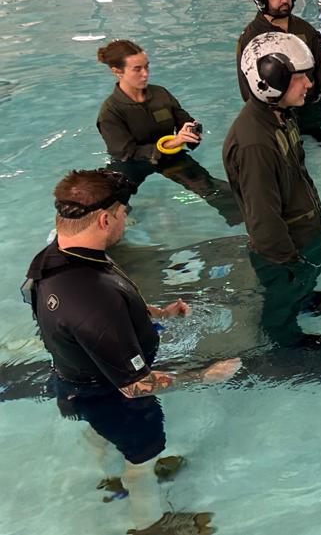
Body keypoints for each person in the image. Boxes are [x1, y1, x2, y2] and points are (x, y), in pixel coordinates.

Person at [24, 169, 241, 534]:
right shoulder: (94, 302)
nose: (128, 219)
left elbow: (94, 311)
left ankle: (107, 476)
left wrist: (156, 312)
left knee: (99, 430)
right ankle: (152, 523)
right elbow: (134, 386)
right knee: (143, 460)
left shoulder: (55, 258)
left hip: (75, 382)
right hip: (110, 396)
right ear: (106, 218)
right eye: (126, 213)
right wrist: (205, 375)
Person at [225, 32, 321, 349]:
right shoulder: (255, 143)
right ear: (271, 81)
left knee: (300, 285)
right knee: (280, 302)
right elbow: (264, 221)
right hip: (283, 249)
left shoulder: (281, 117)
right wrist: (290, 265)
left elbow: (297, 175)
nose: (309, 84)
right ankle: (285, 344)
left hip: (302, 232)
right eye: (300, 78)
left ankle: (305, 297)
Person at [96, 40, 242, 226]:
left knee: (212, 189)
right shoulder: (110, 111)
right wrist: (170, 144)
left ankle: (246, 222)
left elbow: (185, 120)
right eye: (137, 69)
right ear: (117, 71)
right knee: (106, 202)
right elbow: (125, 152)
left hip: (170, 156)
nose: (145, 74)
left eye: (147, 67)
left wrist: (192, 131)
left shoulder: (160, 94)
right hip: (130, 163)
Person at [237, 0, 321, 147]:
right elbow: (246, 79)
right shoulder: (252, 37)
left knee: (312, 115)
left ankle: (313, 128)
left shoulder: (303, 28)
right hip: (276, 104)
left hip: (306, 95)